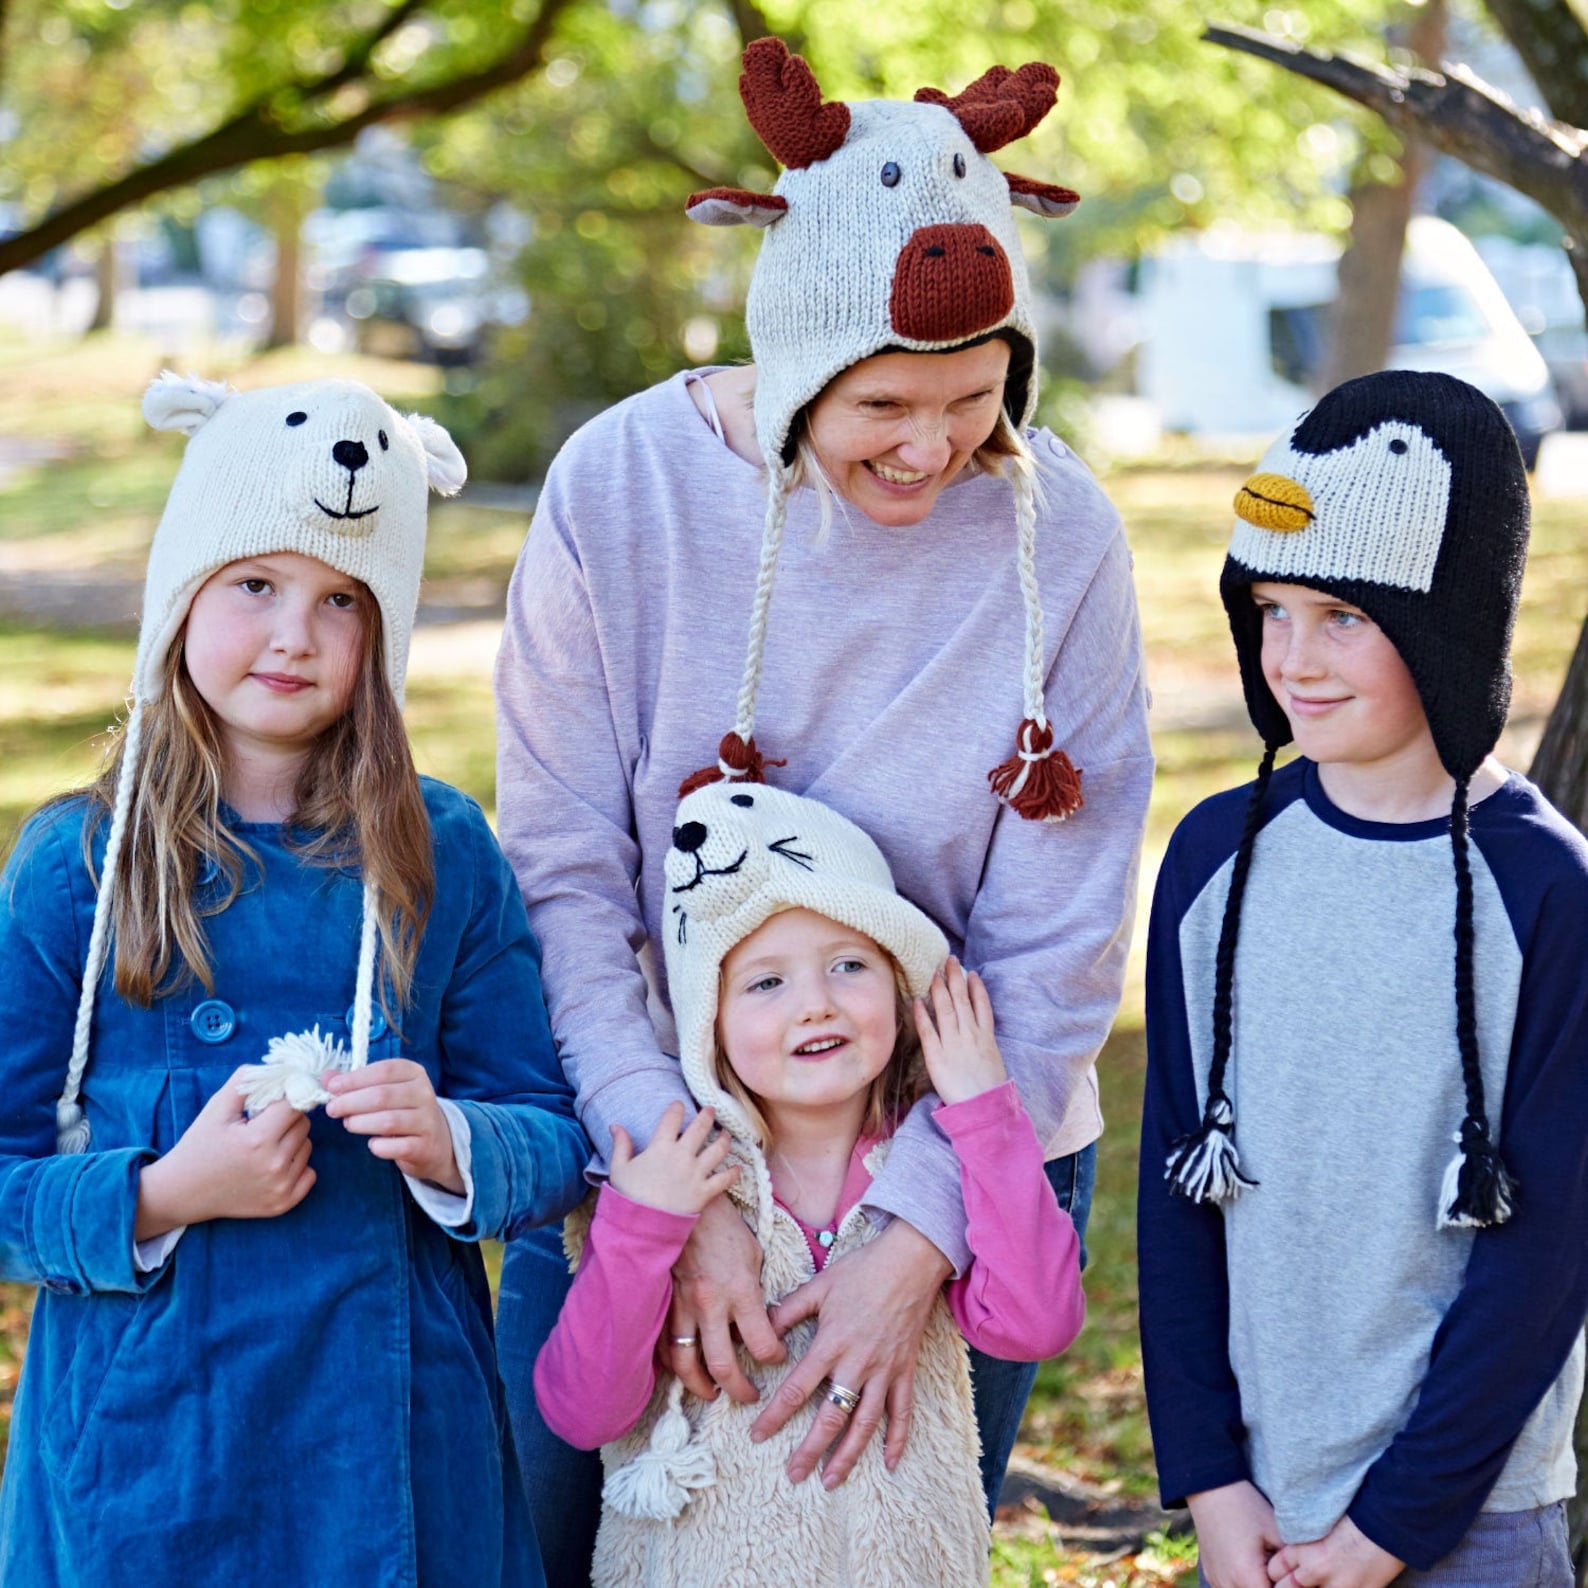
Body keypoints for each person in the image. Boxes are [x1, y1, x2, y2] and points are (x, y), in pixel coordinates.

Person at [493, 36, 1153, 1580]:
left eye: (975, 400)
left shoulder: (1068, 538)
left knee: (885, 1541)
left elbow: (1055, 929)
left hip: (968, 1140)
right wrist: (674, 1173)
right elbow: (566, 868)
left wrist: (919, 1230)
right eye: (883, 406)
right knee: (559, 1541)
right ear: (797, 364)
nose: (932, 450)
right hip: (647, 1125)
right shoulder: (620, 491)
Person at [0, 373, 591, 1586]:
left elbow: (550, 1128)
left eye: (340, 600)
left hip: (390, 1446)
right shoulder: (79, 863)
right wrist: (163, 1192)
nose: (292, 635)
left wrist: (452, 1140)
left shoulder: (440, 850)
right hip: (144, 1450)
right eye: (254, 585)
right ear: (182, 595)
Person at [1137, 370, 1588, 1588]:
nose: (1294, 658)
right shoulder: (1211, 861)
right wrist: (1209, 1477)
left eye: (1342, 614)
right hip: (1260, 1507)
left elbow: (1547, 1250)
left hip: (1475, 1512)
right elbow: (1176, 1188)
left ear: (1445, 622)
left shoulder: (1546, 889)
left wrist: (1394, 1524)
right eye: (1271, 609)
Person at [534, 782, 1084, 1585]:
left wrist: (984, 1111)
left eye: (849, 964)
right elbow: (584, 1411)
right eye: (766, 983)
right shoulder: (671, 1185)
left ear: (901, 992)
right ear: (707, 1022)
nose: (816, 1004)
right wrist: (642, 1228)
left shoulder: (934, 1172)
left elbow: (1035, 1323)